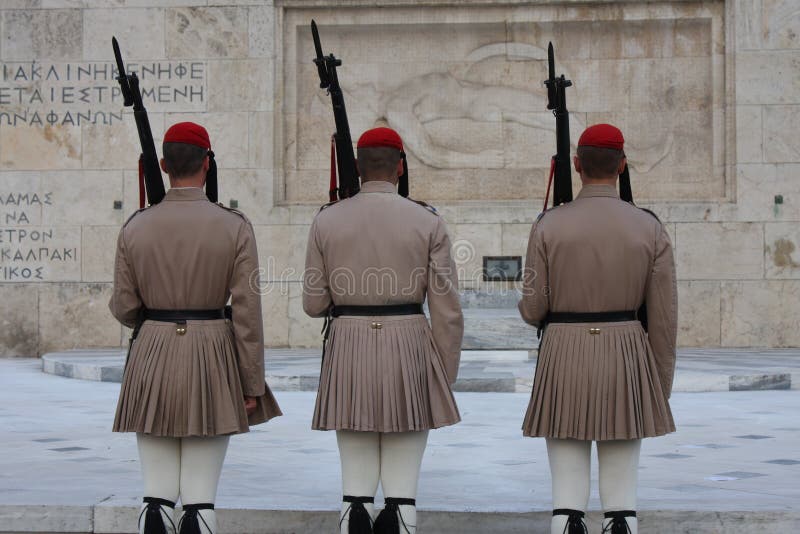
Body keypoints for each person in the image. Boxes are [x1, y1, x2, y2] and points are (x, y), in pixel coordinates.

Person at [110, 121, 282, 534]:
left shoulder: (135, 226)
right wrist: (251, 383)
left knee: (155, 498)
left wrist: (156, 317)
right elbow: (247, 313)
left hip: (152, 351)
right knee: (200, 502)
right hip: (212, 353)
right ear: (207, 164)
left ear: (163, 165)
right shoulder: (234, 225)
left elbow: (125, 307)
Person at [518, 124, 677, 534]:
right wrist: (658, 387)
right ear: (622, 166)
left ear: (576, 165)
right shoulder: (649, 227)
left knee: (566, 497)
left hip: (563, 356)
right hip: (626, 356)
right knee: (622, 502)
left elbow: (534, 308)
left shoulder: (548, 225)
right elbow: (663, 320)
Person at [303, 127, 463, 534]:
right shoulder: (427, 221)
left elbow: (314, 304)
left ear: (357, 167)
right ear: (400, 167)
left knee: (354, 495)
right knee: (402, 494)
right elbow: (447, 311)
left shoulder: (326, 219)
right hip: (409, 344)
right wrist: (442, 376)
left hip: (349, 346)